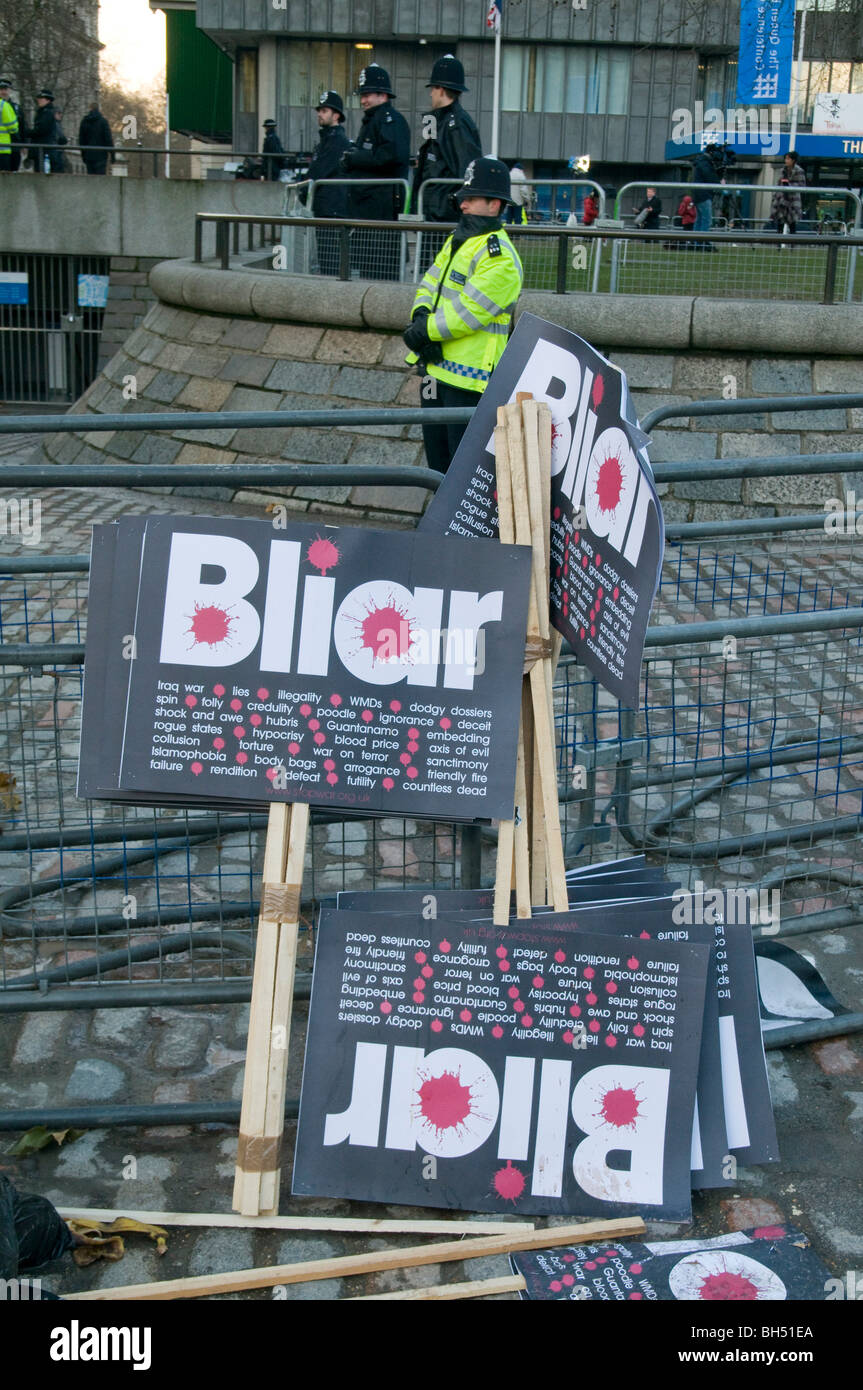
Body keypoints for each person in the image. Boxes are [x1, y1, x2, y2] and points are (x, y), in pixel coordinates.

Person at [403, 157, 524, 473]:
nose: (463, 205)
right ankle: (437, 522)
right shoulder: (459, 239)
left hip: (470, 383)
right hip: (435, 368)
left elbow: (469, 312)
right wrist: (420, 312)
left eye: (471, 198)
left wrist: (424, 331)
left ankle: (452, 524)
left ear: (494, 205)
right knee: (437, 466)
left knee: (462, 471)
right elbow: (431, 280)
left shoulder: (501, 258)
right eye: (463, 198)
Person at [412, 54, 482, 272]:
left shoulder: (456, 124)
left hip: (444, 216)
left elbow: (466, 170)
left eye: (432, 88)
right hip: (435, 213)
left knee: (442, 272)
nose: (430, 93)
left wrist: (449, 202)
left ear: (441, 89)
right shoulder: (439, 121)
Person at [341, 63, 410, 281]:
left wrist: (354, 158)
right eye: (362, 95)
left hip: (381, 210)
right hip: (367, 209)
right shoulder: (373, 121)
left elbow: (389, 156)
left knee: (380, 271)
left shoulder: (390, 120)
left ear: (382, 94)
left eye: (367, 94)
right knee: (368, 269)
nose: (363, 100)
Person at [303, 90, 350, 276]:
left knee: (331, 262)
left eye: (324, 110)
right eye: (319, 110)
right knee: (327, 259)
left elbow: (319, 170)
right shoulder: (327, 140)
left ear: (336, 115)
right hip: (326, 207)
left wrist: (303, 190)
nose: (319, 114)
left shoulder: (337, 141)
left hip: (332, 209)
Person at [767, 151, 806, 237]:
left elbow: (802, 185)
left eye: (788, 159)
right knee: (780, 221)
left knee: (792, 223)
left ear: (793, 160)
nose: (786, 160)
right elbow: (778, 184)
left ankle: (792, 245)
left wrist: (789, 185)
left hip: (792, 199)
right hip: (782, 198)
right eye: (785, 158)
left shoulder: (799, 171)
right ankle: (779, 246)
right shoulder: (782, 170)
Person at [691, 146, 717, 249]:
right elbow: (710, 177)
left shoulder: (700, 162)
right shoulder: (705, 163)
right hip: (703, 195)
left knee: (700, 219)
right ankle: (702, 242)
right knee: (706, 219)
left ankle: (696, 241)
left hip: (698, 195)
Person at [31, 89, 63, 172]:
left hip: (45, 150)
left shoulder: (47, 113)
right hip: (44, 149)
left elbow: (41, 130)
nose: (39, 100)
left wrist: (28, 132)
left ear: (48, 100)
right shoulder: (44, 112)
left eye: (41, 98)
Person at [78, 103, 114, 174]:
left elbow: (81, 140)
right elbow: (108, 139)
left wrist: (83, 154)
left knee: (91, 177)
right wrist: (112, 154)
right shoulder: (103, 122)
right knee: (100, 178)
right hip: (101, 154)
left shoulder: (84, 121)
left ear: (90, 109)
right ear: (98, 109)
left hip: (89, 154)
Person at [0, 78, 22, 172]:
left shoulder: (15, 106)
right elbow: (14, 127)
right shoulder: (5, 105)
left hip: (13, 146)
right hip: (5, 147)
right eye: (1, 89)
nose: (3, 92)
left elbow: (23, 126)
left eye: (5, 89)